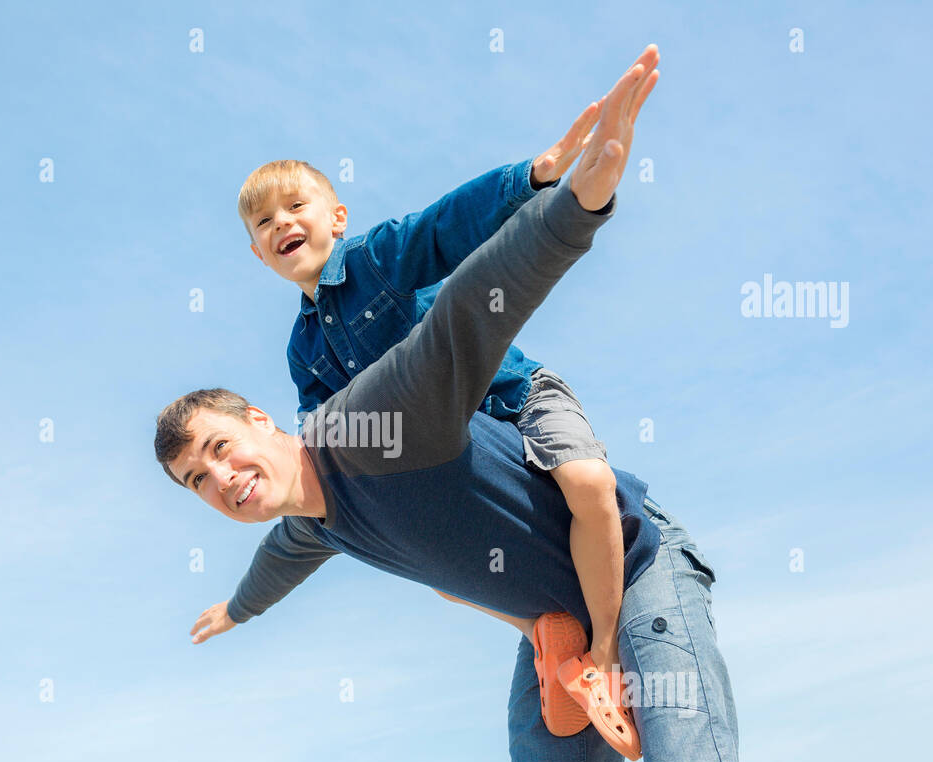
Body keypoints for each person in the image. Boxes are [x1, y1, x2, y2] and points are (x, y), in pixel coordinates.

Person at [156, 54, 794, 762]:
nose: (219, 481)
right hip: (538, 584)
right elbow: (293, 535)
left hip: (590, 503)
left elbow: (459, 255)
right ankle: (560, 635)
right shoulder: (312, 372)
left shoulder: (379, 277)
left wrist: (554, 187)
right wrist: (240, 608)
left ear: (336, 214)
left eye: (220, 451)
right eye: (195, 483)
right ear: (256, 255)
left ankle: (595, 640)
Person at [224, 52, 666, 691]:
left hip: (512, 399)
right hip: (449, 456)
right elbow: (321, 437)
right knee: (443, 576)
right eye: (264, 223)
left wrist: (533, 177)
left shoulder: (376, 259)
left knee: (587, 480)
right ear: (258, 254)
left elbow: (441, 227)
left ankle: (602, 652)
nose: (281, 224)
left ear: (336, 217)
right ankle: (543, 632)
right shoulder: (302, 349)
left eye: (295, 207)